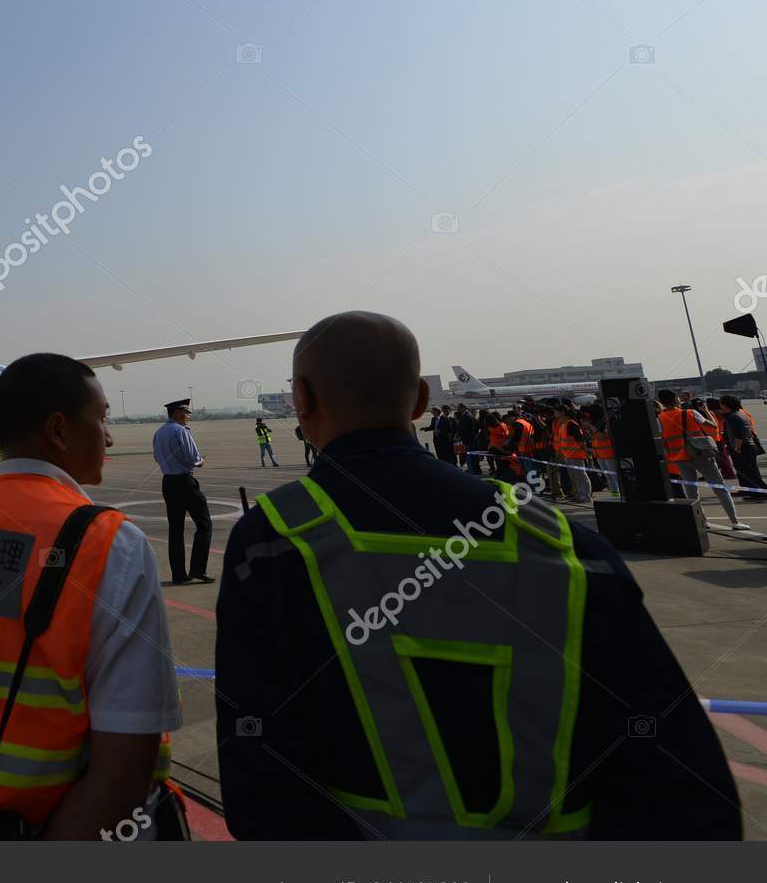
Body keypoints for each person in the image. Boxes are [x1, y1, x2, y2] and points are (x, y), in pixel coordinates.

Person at [216, 312, 740, 840]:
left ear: (300, 399)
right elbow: (685, 791)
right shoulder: (563, 542)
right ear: (421, 400)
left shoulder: (274, 542)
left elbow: (259, 783)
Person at [0, 353, 183, 840]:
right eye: (102, 417)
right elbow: (126, 764)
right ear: (59, 429)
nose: (109, 436)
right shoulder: (111, 545)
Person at [657, 389, 748, 530]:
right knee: (719, 487)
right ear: (676, 400)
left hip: (680, 458)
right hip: (699, 454)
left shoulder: (660, 418)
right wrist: (706, 410)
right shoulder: (690, 413)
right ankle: (734, 521)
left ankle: (702, 521)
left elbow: (662, 441)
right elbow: (713, 425)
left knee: (691, 492)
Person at [153, 398, 213, 585]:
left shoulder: (159, 432)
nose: (188, 417)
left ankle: (178, 574)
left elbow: (157, 457)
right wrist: (200, 460)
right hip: (184, 482)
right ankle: (198, 569)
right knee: (204, 525)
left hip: (168, 482)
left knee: (176, 530)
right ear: (177, 413)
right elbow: (193, 459)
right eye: (186, 413)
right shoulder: (181, 431)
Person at [721, 395, 765, 496]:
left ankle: (759, 492)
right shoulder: (740, 414)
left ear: (726, 405)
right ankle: (748, 490)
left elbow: (739, 435)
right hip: (749, 446)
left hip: (743, 448)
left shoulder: (733, 417)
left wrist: (737, 448)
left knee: (749, 473)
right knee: (748, 472)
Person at [550, 402, 592, 503]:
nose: (554, 413)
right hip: (568, 455)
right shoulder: (563, 425)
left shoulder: (571, 424)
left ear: (562, 412)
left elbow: (581, 440)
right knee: (574, 476)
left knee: (581, 475)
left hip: (576, 455)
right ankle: (579, 494)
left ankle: (586, 496)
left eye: (556, 411)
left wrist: (586, 453)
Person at [583, 402, 620, 497]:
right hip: (599, 453)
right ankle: (615, 494)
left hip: (608, 453)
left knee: (614, 475)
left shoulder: (608, 421)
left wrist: (591, 427)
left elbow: (603, 437)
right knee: (607, 476)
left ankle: (620, 494)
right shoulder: (595, 423)